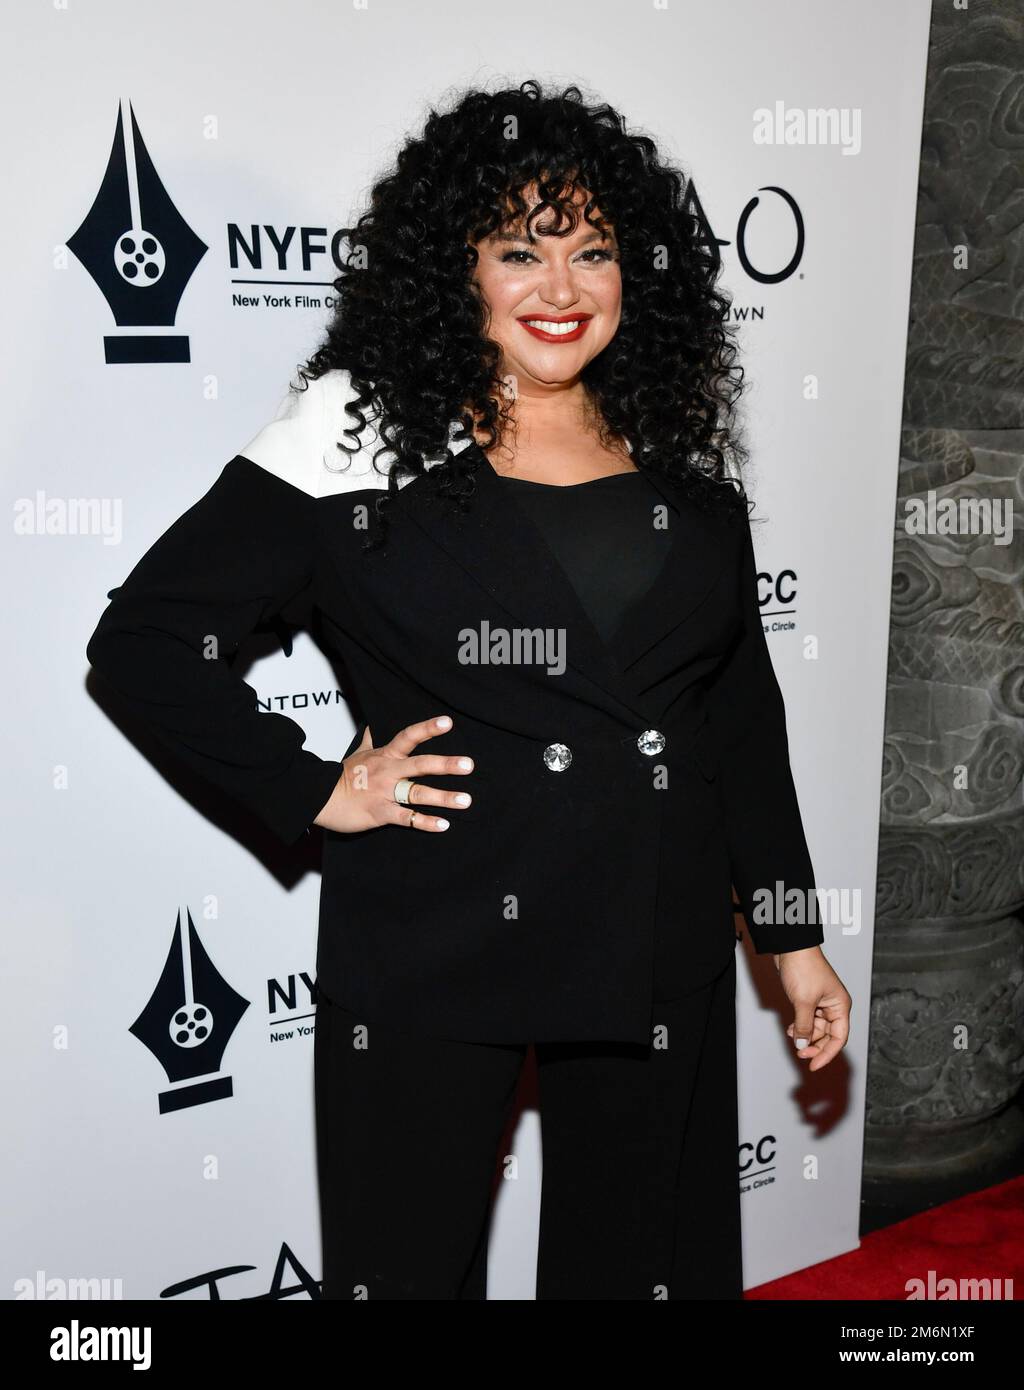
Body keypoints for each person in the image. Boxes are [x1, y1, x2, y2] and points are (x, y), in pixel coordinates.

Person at [86, 79, 852, 1300]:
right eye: (518, 251)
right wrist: (311, 785)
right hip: (438, 930)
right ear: (455, 267)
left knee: (640, 1265)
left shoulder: (672, 444)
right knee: (407, 1269)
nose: (560, 289)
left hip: (657, 933)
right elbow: (144, 640)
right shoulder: (357, 436)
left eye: (592, 251)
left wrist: (793, 935)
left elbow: (736, 718)